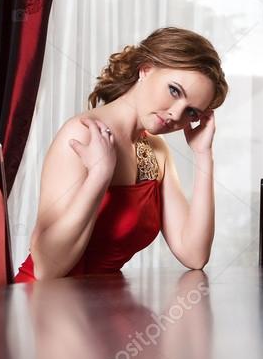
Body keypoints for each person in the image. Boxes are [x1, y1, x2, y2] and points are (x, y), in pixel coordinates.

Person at [13, 26, 228, 281]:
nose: (175, 114)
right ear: (146, 70)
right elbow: (47, 268)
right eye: (174, 91)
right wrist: (100, 175)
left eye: (191, 112)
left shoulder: (155, 151)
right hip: (46, 307)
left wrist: (203, 154)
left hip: (104, 308)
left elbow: (194, 254)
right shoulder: (81, 135)